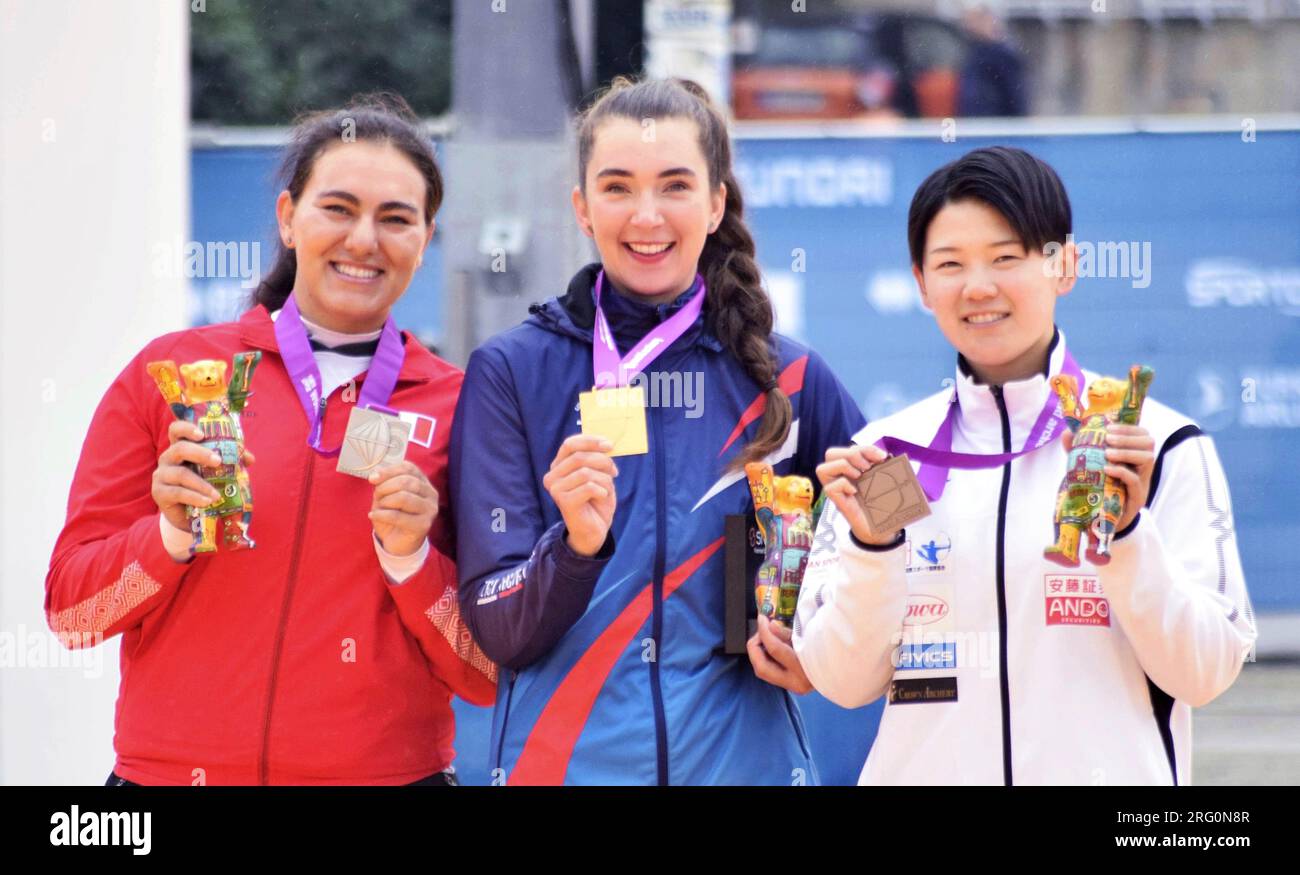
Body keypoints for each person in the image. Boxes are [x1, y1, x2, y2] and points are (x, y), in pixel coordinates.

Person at [45, 95, 496, 786]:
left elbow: (485, 670)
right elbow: (74, 614)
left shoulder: (464, 404)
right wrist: (168, 537)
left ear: (426, 238)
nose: (364, 240)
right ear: (289, 218)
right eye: (338, 208)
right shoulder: (172, 376)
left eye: (396, 219)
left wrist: (411, 563)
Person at [793, 146, 1256, 785]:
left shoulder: (1150, 444)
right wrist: (875, 551)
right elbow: (841, 683)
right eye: (951, 264)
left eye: (1006, 258)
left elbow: (1205, 672)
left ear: (1064, 264)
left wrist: (1124, 536)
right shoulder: (891, 459)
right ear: (922, 285)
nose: (978, 287)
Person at [449, 78, 865, 785]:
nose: (647, 216)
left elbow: (899, 536)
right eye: (617, 187)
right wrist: (574, 549)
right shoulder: (511, 373)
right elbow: (498, 629)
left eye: (675, 185)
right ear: (581, 208)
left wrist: (826, 645)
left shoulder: (790, 378)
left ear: (715, 204)